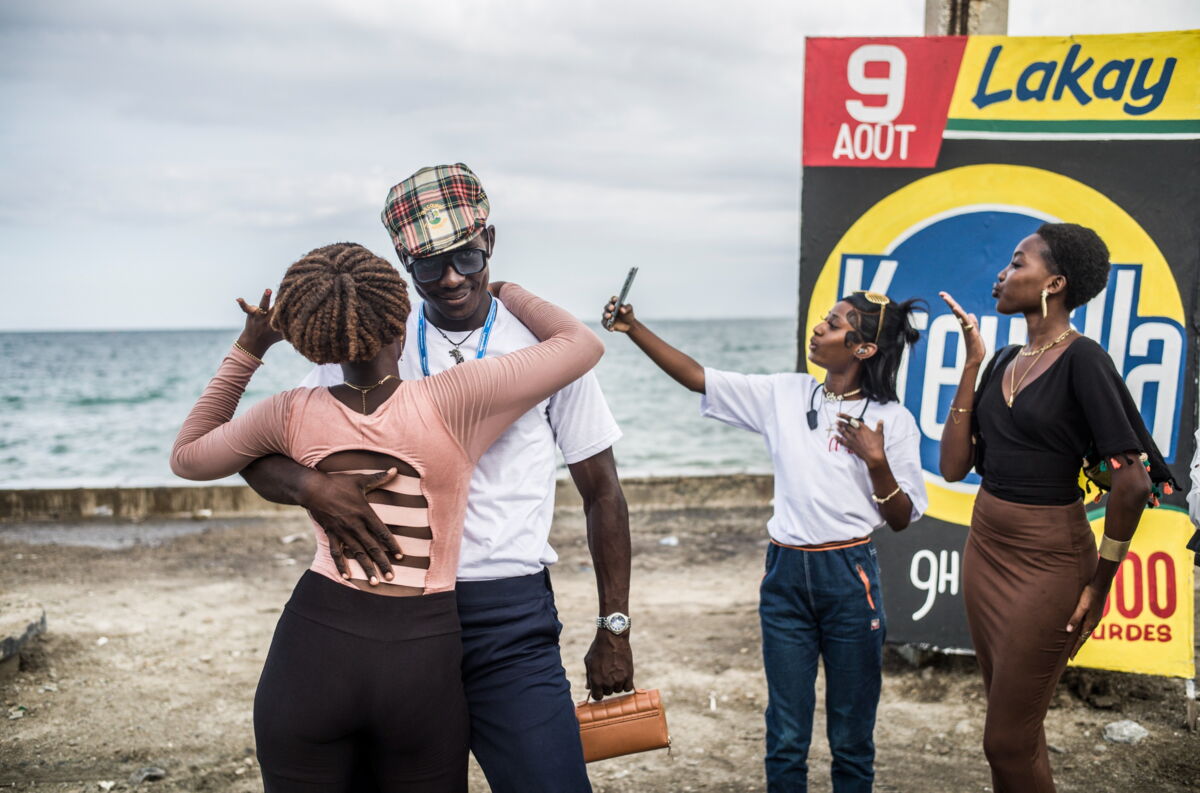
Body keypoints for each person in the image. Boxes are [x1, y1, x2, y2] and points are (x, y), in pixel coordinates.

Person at [239, 164, 632, 793]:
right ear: (403, 262)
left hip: (508, 617)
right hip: (390, 618)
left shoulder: (541, 346)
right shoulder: (371, 336)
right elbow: (256, 452)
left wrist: (615, 626)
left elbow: (603, 492)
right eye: (429, 265)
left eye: (467, 257)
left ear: (491, 243)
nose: (451, 277)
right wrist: (311, 488)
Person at [603, 290, 928, 793]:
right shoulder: (788, 393)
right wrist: (633, 327)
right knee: (785, 734)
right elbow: (698, 377)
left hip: (849, 576)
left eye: (836, 323)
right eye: (825, 319)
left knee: (852, 739)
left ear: (863, 348)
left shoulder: (894, 421)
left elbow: (902, 517)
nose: (820, 328)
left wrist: (877, 461)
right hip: (785, 580)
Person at [938, 223, 1174, 793]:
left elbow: (1134, 484)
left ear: (1056, 283)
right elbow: (952, 467)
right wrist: (972, 365)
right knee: (1017, 735)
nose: (1002, 273)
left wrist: (1101, 582)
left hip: (1048, 564)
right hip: (985, 551)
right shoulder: (1000, 362)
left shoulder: (1083, 360)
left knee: (1006, 742)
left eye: (1018, 263)